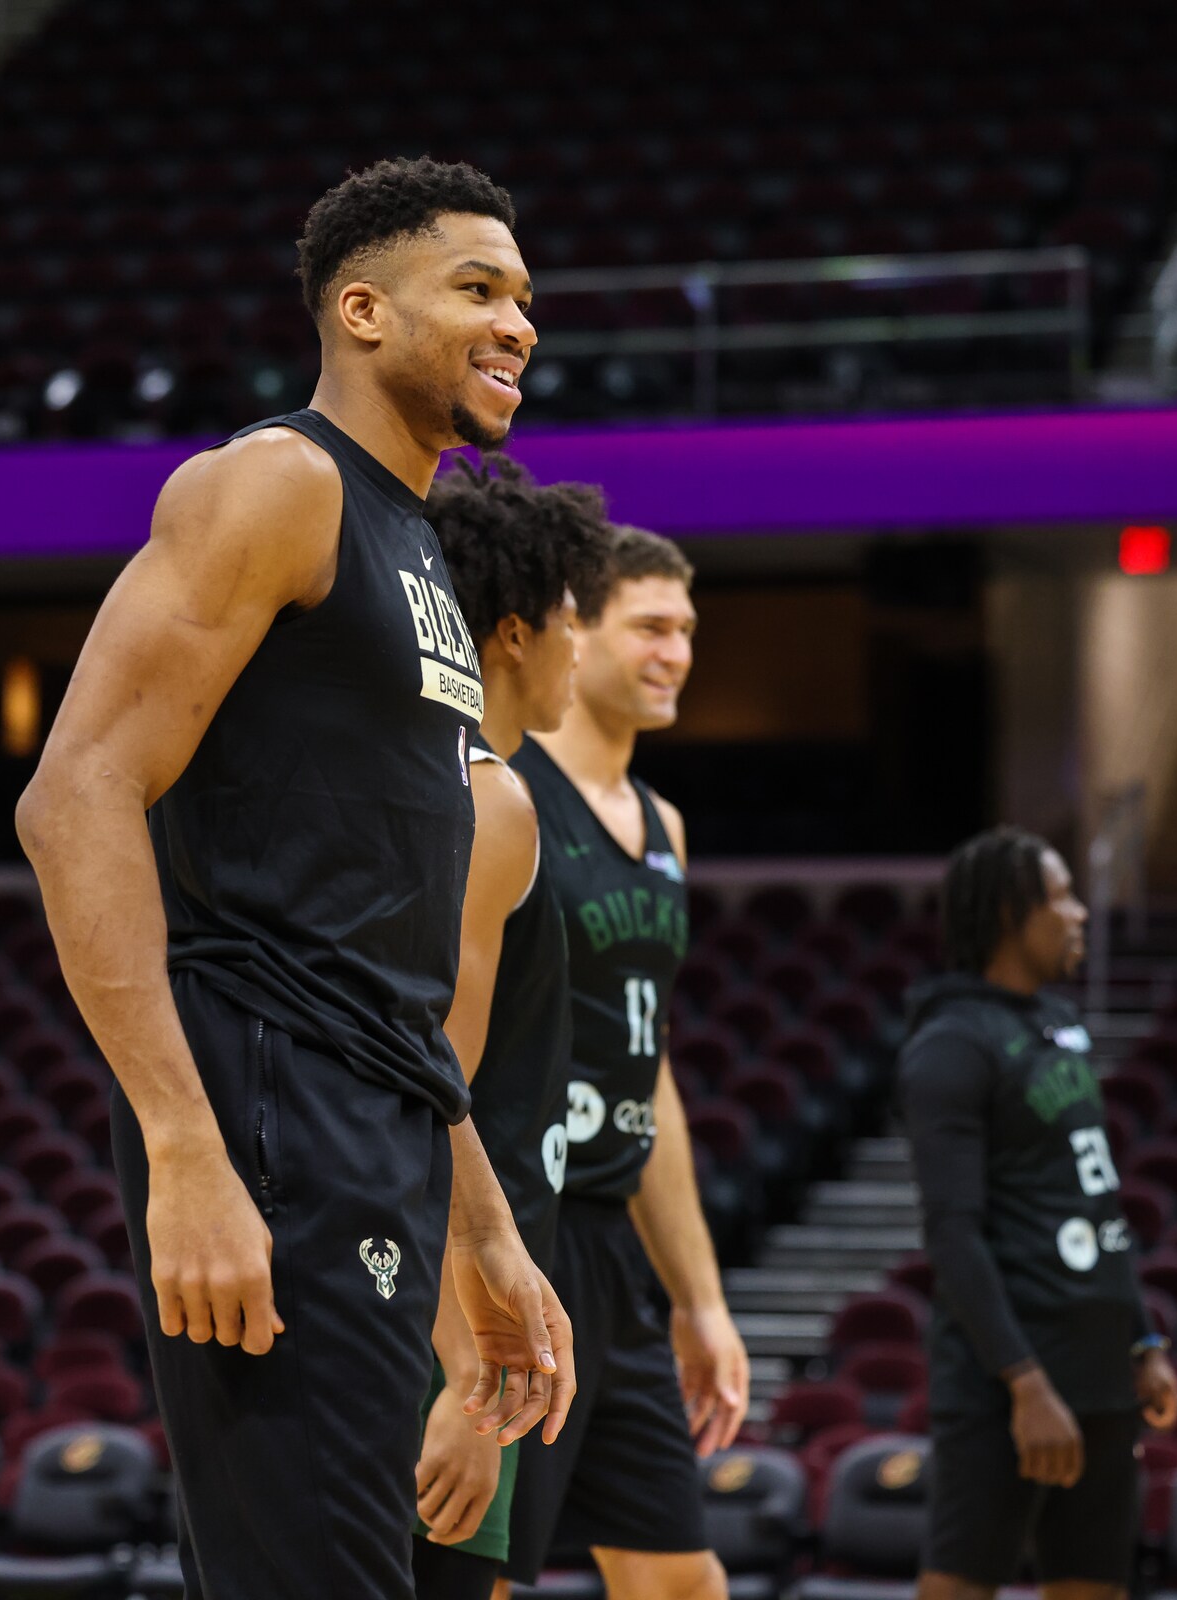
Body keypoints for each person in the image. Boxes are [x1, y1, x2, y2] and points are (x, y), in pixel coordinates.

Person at [15, 156, 575, 1600]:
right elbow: (74, 795)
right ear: (362, 310)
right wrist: (185, 1149)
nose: (519, 322)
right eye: (478, 288)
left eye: (524, 296)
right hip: (271, 1106)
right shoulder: (277, 483)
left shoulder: (419, 544)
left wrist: (482, 1228)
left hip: (372, 1117)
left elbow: (391, 965)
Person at [498, 527, 748, 1600]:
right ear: (577, 628)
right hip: (516, 1229)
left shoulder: (664, 826)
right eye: (650, 627)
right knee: (476, 1574)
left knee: (682, 1577)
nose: (675, 653)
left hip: (609, 1247)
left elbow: (653, 1075)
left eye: (686, 630)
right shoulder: (503, 789)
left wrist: (700, 1299)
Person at [410, 457, 613, 1600]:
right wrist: (461, 1368)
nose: (579, 646)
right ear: (512, 634)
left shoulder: (414, 777)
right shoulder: (488, 799)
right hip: (443, 1303)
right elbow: (428, 1092)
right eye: (571, 618)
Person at [898, 827, 1177, 1600]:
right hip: (1006, 1382)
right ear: (1008, 913)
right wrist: (1024, 1384)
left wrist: (1143, 1340)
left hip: (1100, 1368)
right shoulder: (950, 1043)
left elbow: (1098, 1200)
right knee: (958, 1588)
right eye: (1061, 896)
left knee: (1095, 1586)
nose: (1080, 912)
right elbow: (952, 1232)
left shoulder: (1059, 1025)